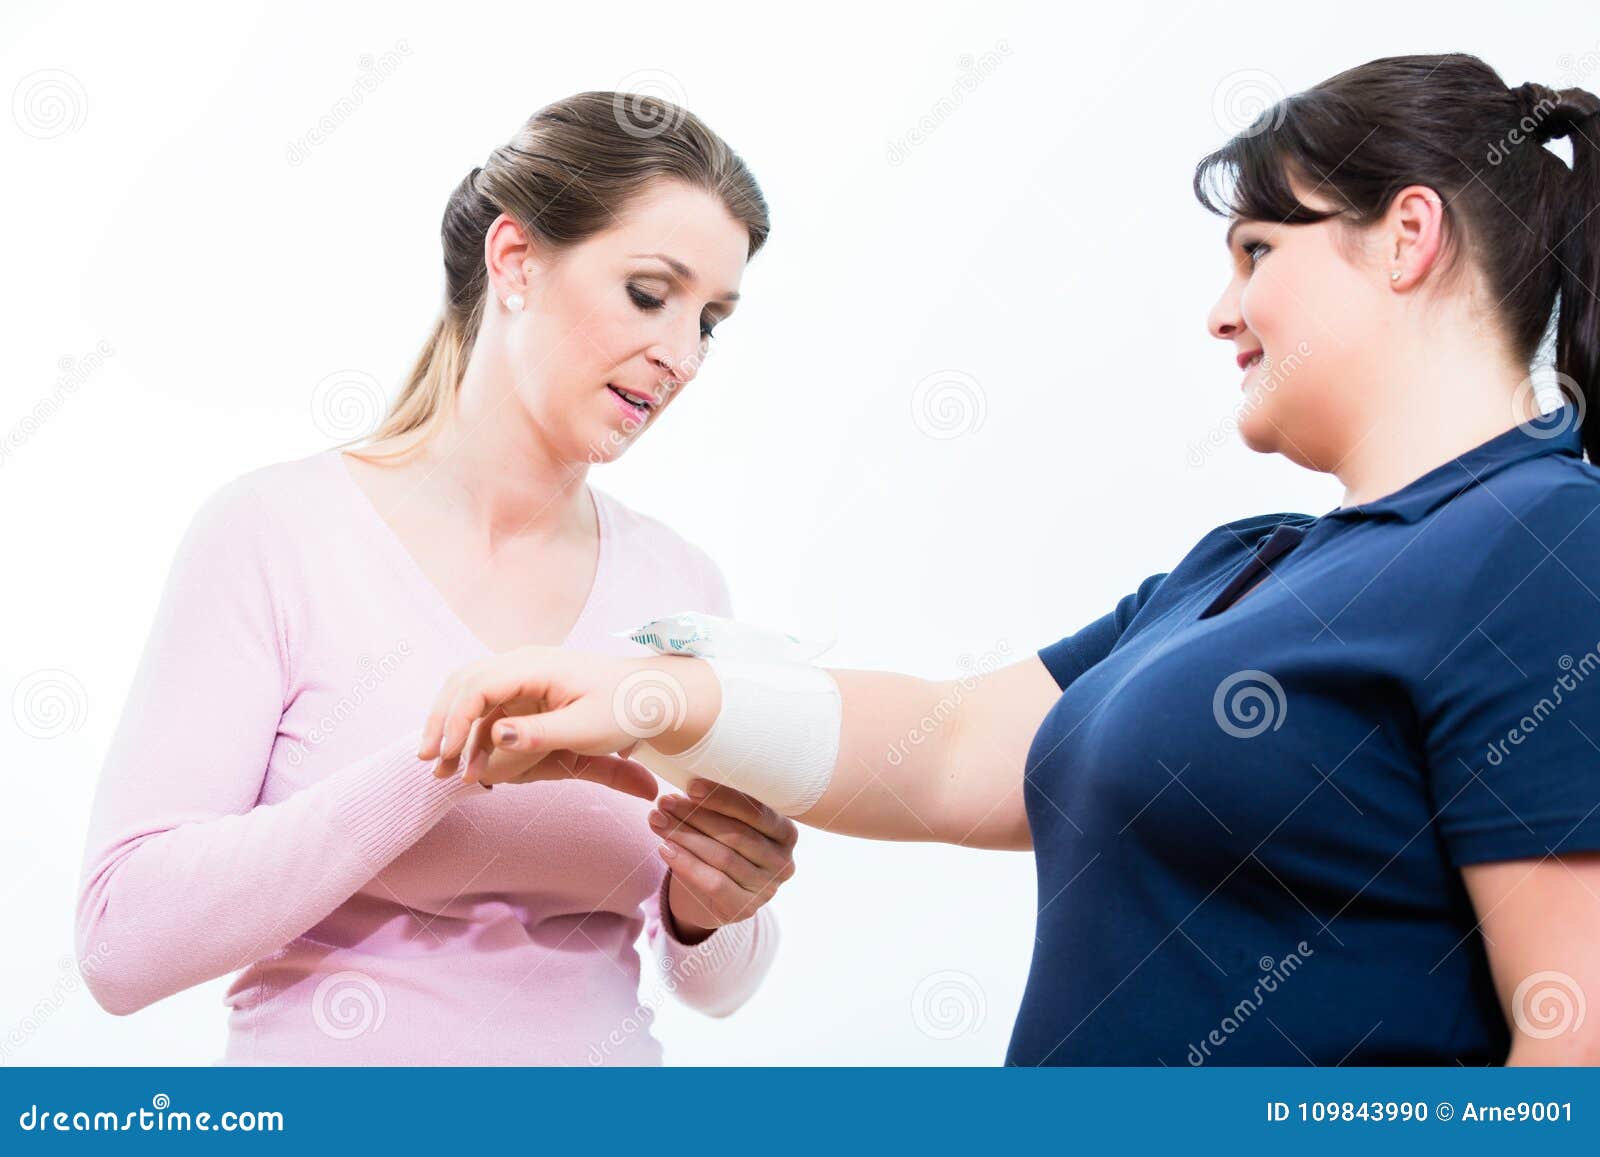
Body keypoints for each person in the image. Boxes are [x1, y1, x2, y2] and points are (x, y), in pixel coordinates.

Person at [418, 55, 1600, 1066]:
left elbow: (1575, 1044)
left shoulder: (1547, 540)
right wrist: (645, 700)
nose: (1220, 311)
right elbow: (943, 748)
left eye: (1254, 249)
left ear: (1406, 237)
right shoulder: (1242, 571)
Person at [74, 92, 795, 1065]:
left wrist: (713, 905)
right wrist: (444, 765)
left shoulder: (683, 588)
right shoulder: (276, 534)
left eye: (710, 318)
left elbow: (718, 980)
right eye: (648, 292)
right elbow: (121, 944)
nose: (682, 355)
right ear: (516, 260)